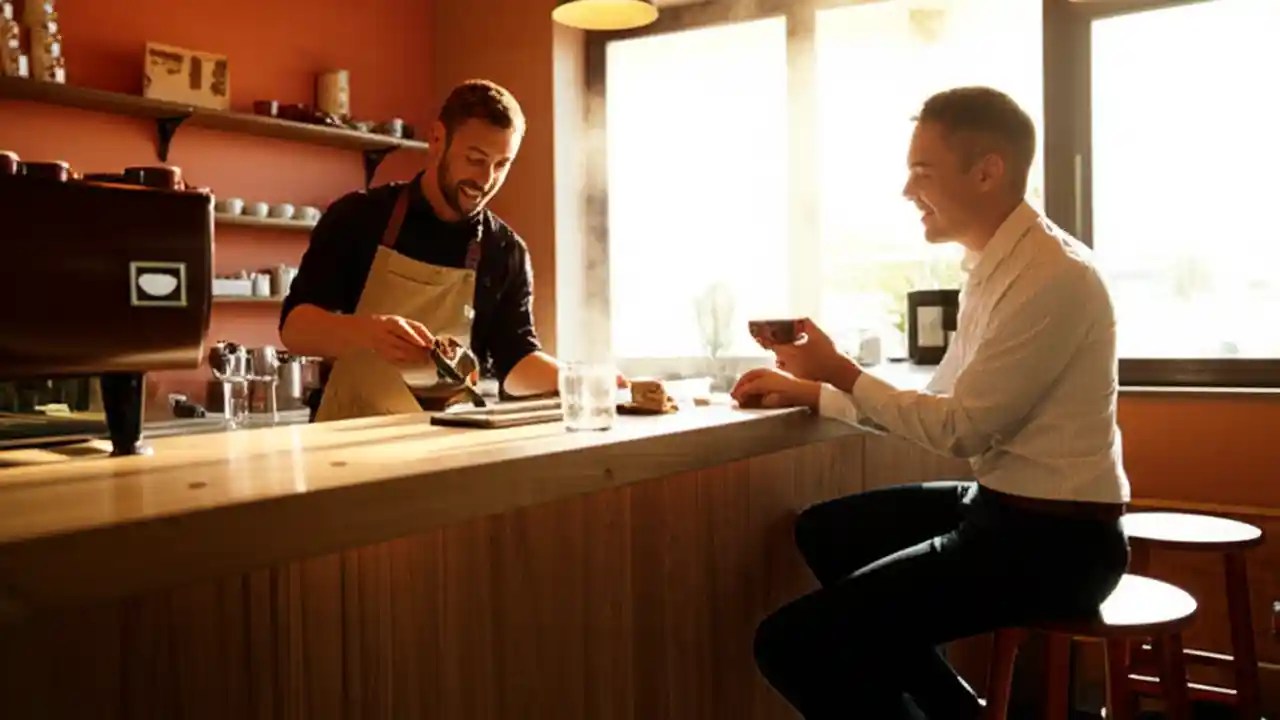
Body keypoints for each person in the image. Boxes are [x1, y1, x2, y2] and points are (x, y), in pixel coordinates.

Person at [731, 86, 1131, 719]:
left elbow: (961, 430)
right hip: (1004, 511)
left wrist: (839, 370)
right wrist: (817, 387)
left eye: (921, 170)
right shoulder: (995, 266)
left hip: (1057, 542)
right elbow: (943, 396)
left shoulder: (1054, 276)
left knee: (790, 643)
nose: (905, 189)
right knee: (825, 533)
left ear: (987, 171)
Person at [280, 79, 567, 421]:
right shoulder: (357, 217)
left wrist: (577, 380)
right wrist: (367, 334)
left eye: (502, 164)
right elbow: (295, 329)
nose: (487, 179)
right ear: (436, 139)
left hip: (447, 444)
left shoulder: (504, 250)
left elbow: (516, 360)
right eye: (475, 159)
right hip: (350, 437)